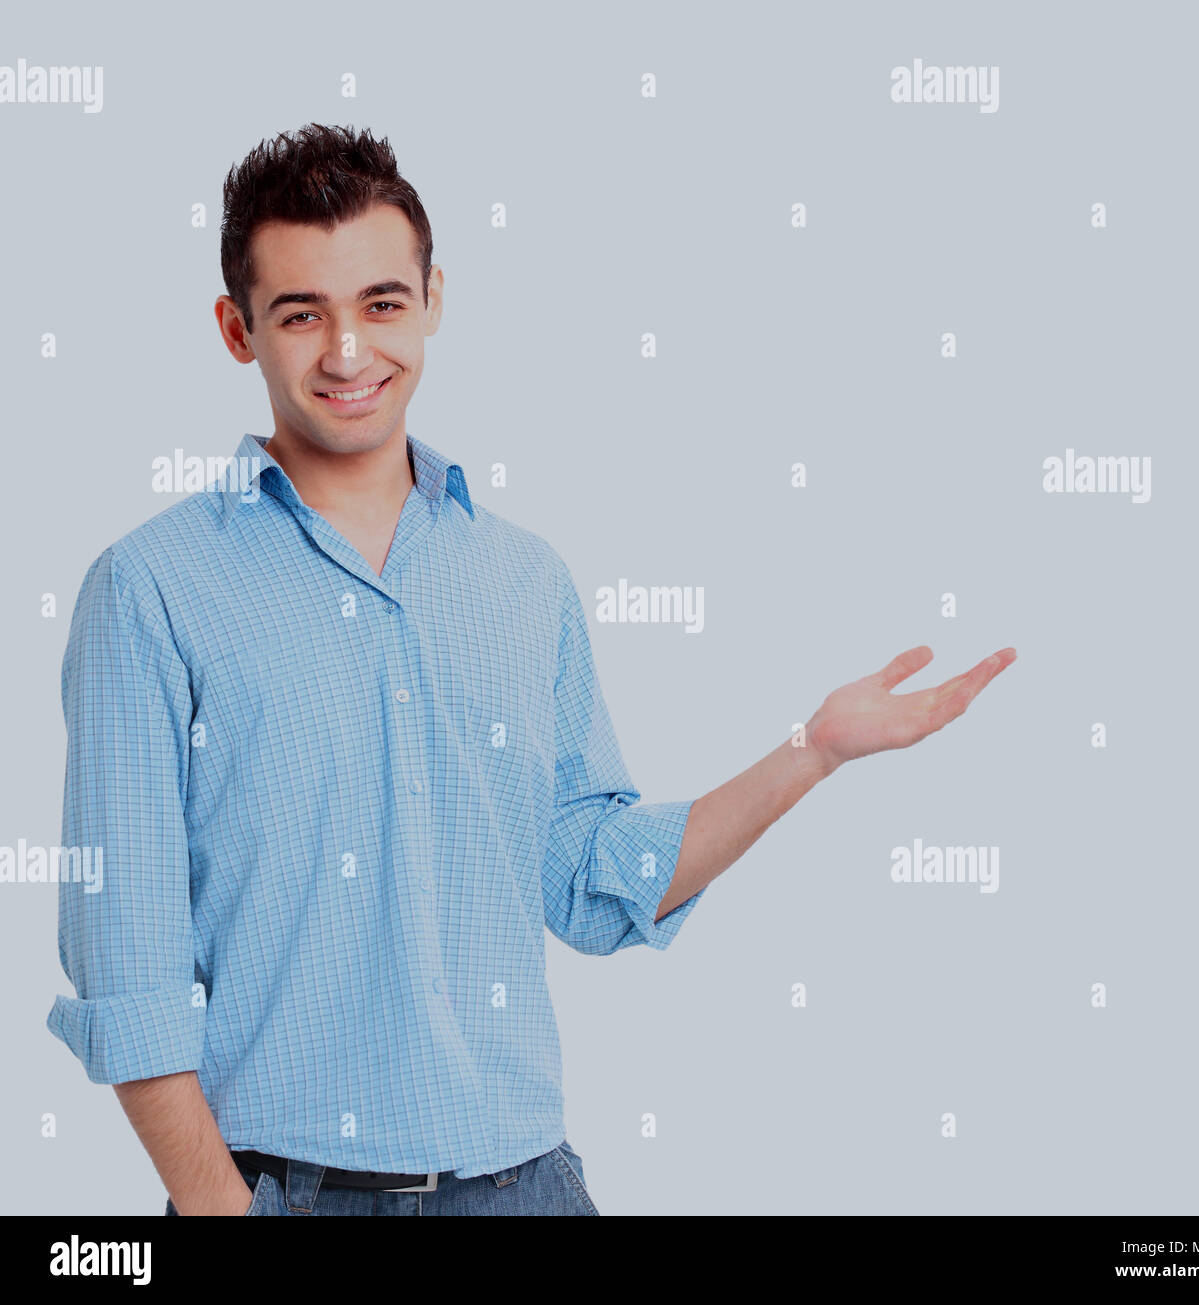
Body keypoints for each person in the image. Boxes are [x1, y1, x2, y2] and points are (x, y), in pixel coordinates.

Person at [47, 123, 1017, 1217]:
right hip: (286, 1193)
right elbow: (126, 962)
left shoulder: (522, 580)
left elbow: (594, 879)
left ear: (432, 299)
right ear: (238, 331)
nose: (349, 353)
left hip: (527, 1187)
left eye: (380, 304)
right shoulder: (151, 589)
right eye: (300, 314)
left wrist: (816, 749)